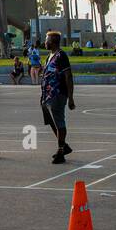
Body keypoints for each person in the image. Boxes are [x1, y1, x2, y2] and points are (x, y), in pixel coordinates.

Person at [40, 31, 75, 163]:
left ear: (52, 41)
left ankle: (61, 150)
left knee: (59, 121)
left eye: (46, 39)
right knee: (51, 121)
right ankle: (64, 145)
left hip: (58, 94)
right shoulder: (49, 56)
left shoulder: (61, 56)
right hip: (46, 95)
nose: (45, 42)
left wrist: (70, 97)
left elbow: (68, 76)